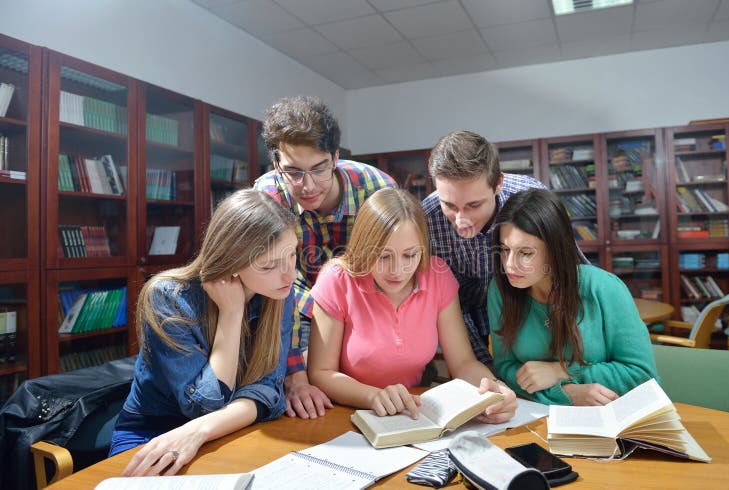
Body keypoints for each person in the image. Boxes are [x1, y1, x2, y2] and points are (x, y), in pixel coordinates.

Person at [109, 190, 305, 476]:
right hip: (153, 436)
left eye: (292, 254)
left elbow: (267, 392)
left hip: (221, 433)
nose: (290, 275)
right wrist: (231, 312)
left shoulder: (279, 294)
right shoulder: (168, 298)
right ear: (231, 262)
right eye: (269, 265)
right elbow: (203, 405)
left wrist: (199, 432)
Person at [307, 188, 517, 422]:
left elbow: (463, 363)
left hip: (411, 414)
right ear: (363, 247)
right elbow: (320, 373)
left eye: (410, 255)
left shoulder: (437, 276)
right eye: (384, 256)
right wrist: (373, 396)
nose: (398, 271)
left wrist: (493, 390)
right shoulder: (337, 279)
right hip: (344, 415)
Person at [254, 96, 395, 418]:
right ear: (276, 164)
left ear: (335, 157)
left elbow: (393, 266)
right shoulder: (269, 198)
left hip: (366, 304)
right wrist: (296, 377)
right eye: (293, 172)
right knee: (304, 406)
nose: (307, 186)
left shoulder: (377, 188)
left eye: (319, 169)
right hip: (295, 308)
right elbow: (276, 290)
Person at [489, 188, 658, 406]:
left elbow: (641, 374)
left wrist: (563, 371)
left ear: (555, 250)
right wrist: (566, 394)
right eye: (504, 249)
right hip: (542, 418)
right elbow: (506, 368)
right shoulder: (500, 290)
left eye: (525, 253)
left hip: (618, 418)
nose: (510, 264)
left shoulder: (604, 288)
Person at [422, 130, 548, 366]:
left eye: (474, 205)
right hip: (462, 315)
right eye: (449, 205)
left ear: (498, 183)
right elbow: (447, 303)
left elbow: (565, 270)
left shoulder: (531, 198)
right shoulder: (426, 218)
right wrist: (480, 368)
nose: (461, 220)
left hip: (527, 310)